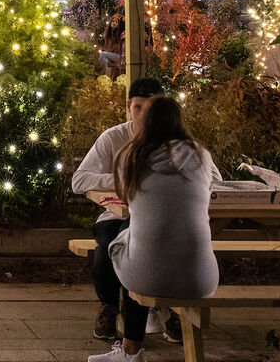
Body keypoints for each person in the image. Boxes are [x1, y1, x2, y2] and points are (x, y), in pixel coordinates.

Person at [72, 77, 220, 346]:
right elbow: (79, 180)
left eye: (149, 110)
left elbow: (216, 181)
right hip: (119, 218)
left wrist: (128, 179)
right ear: (129, 106)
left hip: (142, 234)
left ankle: (145, 329)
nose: (142, 117)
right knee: (114, 243)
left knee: (137, 244)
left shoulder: (135, 156)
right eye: (138, 108)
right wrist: (116, 181)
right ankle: (115, 307)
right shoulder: (195, 153)